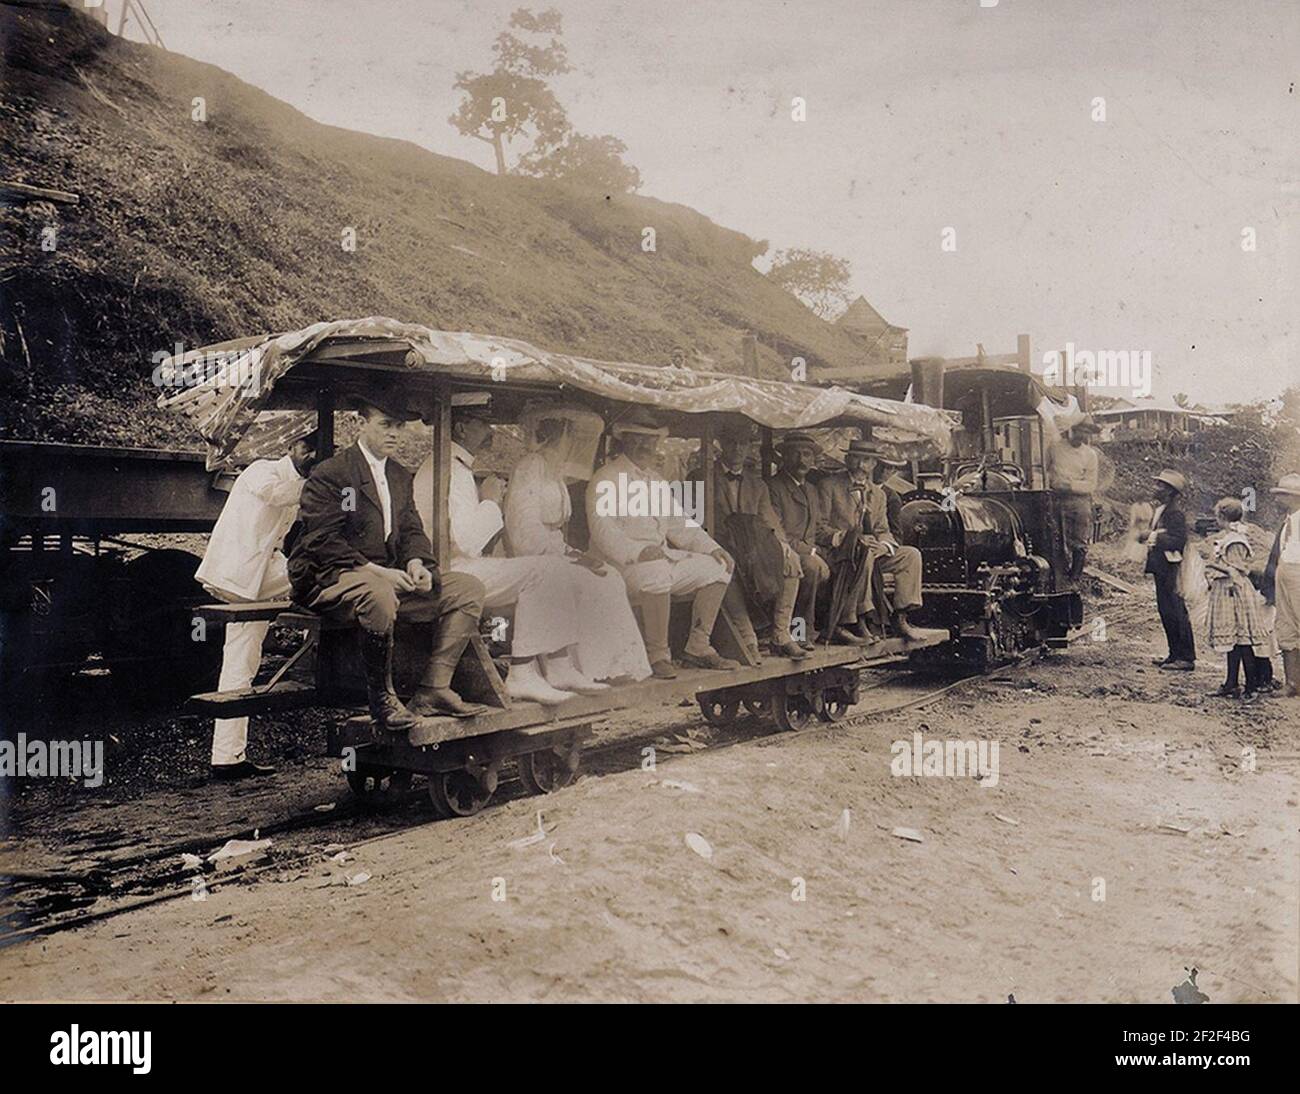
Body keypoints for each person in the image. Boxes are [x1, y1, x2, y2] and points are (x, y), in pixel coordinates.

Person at [288, 388, 488, 729]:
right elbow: (323, 540)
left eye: (399, 426)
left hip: (383, 578)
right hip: (330, 576)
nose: (394, 433)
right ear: (360, 424)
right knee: (378, 592)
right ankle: (382, 699)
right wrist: (378, 571)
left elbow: (411, 531)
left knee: (468, 588)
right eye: (385, 425)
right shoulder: (335, 474)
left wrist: (416, 564)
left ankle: (435, 688)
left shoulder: (398, 475)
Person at [415, 405, 606, 705]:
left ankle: (557, 666)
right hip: (452, 570)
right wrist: (491, 501)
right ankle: (523, 672)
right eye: (483, 422)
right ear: (461, 427)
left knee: (550, 567)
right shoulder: (447, 468)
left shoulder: (452, 464)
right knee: (543, 570)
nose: (490, 430)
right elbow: (467, 540)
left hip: (457, 563)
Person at [196, 426, 317, 781]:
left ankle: (227, 757)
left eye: (318, 453)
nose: (312, 457)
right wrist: (330, 486)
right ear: (293, 445)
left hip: (259, 578)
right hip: (243, 575)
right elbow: (280, 495)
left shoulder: (293, 483)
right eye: (308, 449)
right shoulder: (263, 471)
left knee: (240, 662)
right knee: (323, 571)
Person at [502, 406, 652, 684]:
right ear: (556, 433)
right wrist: (565, 557)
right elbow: (522, 529)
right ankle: (582, 669)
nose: (573, 440)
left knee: (609, 575)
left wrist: (572, 554)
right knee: (589, 581)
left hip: (556, 551)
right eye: (569, 433)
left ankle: (613, 665)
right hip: (532, 556)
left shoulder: (555, 470)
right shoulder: (530, 465)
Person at [586, 409, 738, 678]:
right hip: (617, 566)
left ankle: (698, 646)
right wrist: (638, 551)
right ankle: (658, 654)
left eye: (652, 439)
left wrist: (711, 547)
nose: (647, 445)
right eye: (639, 439)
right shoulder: (607, 478)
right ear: (625, 440)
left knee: (720, 567)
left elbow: (679, 524)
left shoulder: (656, 480)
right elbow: (603, 532)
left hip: (658, 560)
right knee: (656, 572)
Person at [701, 421, 806, 661]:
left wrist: (785, 547)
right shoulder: (697, 477)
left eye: (743, 444)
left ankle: (781, 634)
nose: (738, 449)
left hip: (750, 547)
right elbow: (690, 522)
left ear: (749, 447)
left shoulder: (756, 484)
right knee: (725, 567)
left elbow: (770, 521)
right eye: (732, 443)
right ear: (721, 445)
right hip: (716, 545)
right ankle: (747, 638)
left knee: (792, 564)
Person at [816, 439, 926, 643]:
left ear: (874, 464)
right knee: (864, 552)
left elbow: (883, 530)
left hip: (868, 552)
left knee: (911, 555)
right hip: (838, 552)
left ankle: (900, 617)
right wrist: (846, 537)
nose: (860, 465)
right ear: (847, 459)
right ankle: (853, 622)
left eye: (866, 460)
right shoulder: (829, 486)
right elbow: (819, 528)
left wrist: (883, 545)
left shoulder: (878, 494)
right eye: (856, 459)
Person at [1204, 498, 1273, 700]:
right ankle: (1231, 683)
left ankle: (1251, 685)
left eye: (1217, 516)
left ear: (1222, 517)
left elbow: (1238, 569)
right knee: (1232, 642)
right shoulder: (1230, 536)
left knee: (1243, 641)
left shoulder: (1235, 540)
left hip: (1234, 593)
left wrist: (1212, 566)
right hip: (1226, 591)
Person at [766, 432, 830, 648]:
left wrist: (840, 538)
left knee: (850, 558)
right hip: (784, 552)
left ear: (813, 459)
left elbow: (818, 528)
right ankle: (800, 631)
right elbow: (777, 532)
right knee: (811, 567)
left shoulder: (811, 490)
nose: (802, 460)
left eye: (806, 455)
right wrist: (811, 551)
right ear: (784, 457)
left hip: (810, 550)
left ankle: (837, 627)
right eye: (795, 454)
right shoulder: (773, 487)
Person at [1139, 468, 1195, 670]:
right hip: (1161, 567)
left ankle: (1186, 658)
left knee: (1176, 610)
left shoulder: (1175, 513)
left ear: (1171, 491)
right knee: (1166, 611)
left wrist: (1152, 536)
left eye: (1161, 485)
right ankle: (1174, 654)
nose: (1156, 488)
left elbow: (1179, 541)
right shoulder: (1162, 509)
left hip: (1171, 569)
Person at [1047, 416, 1101, 582]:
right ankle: (1058, 573)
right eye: (1079, 431)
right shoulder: (1055, 448)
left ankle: (1075, 577)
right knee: (1055, 535)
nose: (1082, 436)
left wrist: (1069, 485)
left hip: (1079, 500)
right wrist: (1056, 483)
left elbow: (1090, 484)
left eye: (1086, 433)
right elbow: (1045, 470)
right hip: (1056, 499)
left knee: (1079, 538)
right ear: (1071, 430)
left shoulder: (1090, 455)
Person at [1264, 473, 1300, 696]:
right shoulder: (1288, 521)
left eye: (1282, 495)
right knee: (1286, 626)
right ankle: (1292, 683)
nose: (1277, 500)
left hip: (1297, 575)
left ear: (1294, 497)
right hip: (1285, 573)